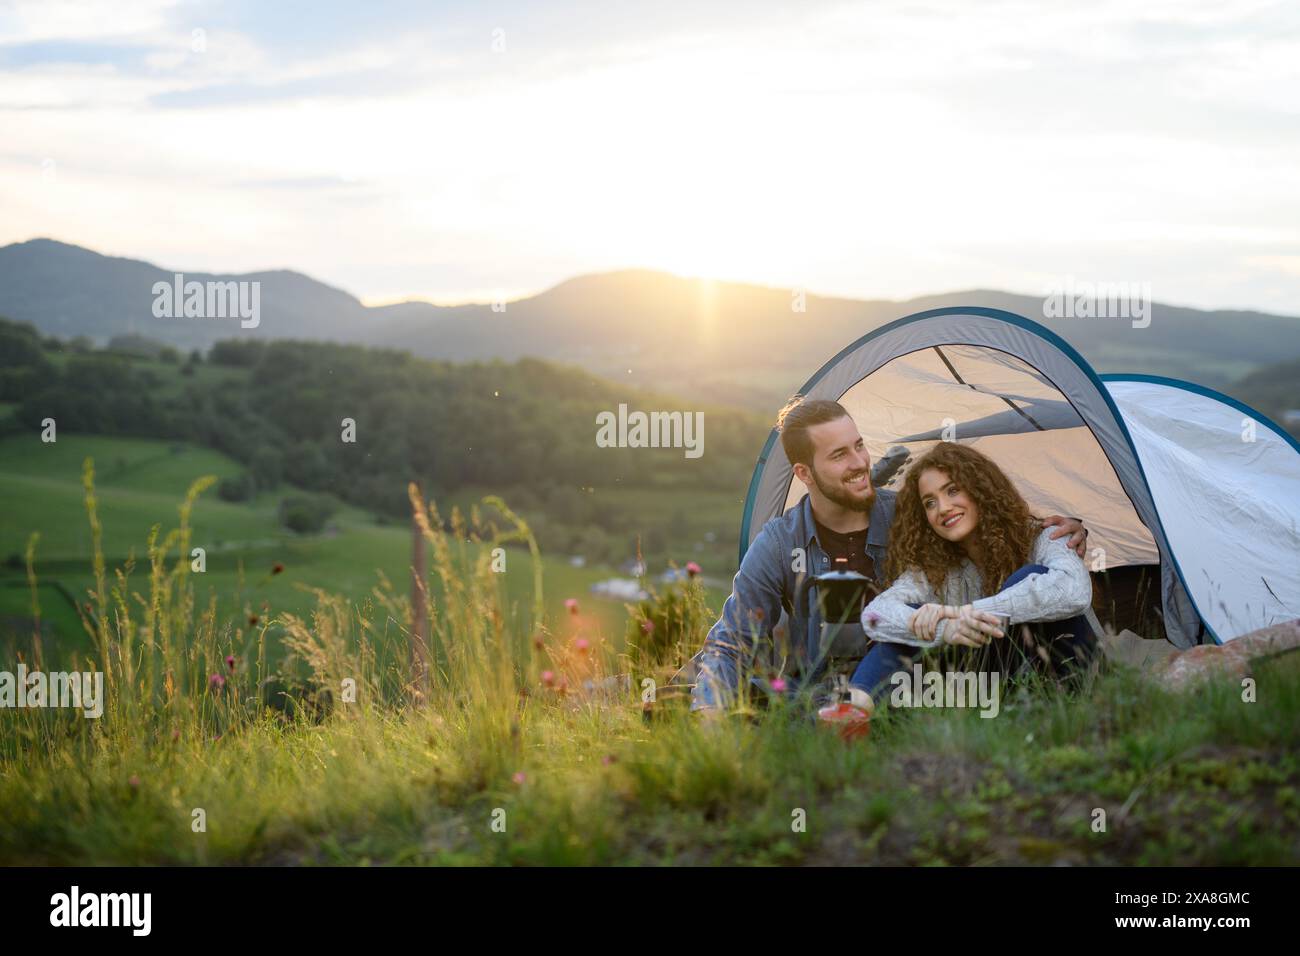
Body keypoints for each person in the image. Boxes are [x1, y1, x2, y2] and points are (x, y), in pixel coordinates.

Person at [687, 398, 1089, 716]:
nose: (860, 462)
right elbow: (730, 642)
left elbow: (987, 537)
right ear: (804, 473)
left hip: (925, 679)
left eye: (859, 446)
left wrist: (1046, 533)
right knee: (755, 693)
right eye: (839, 454)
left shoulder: (912, 515)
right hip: (826, 692)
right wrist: (708, 712)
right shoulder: (779, 542)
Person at [845, 441, 1097, 718]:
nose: (942, 508)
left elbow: (1075, 592)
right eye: (930, 503)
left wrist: (964, 614)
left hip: (1066, 683)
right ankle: (850, 716)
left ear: (980, 490)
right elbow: (874, 616)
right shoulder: (936, 568)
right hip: (995, 689)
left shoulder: (1045, 536)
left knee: (1029, 577)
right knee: (912, 621)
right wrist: (945, 628)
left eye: (952, 490)